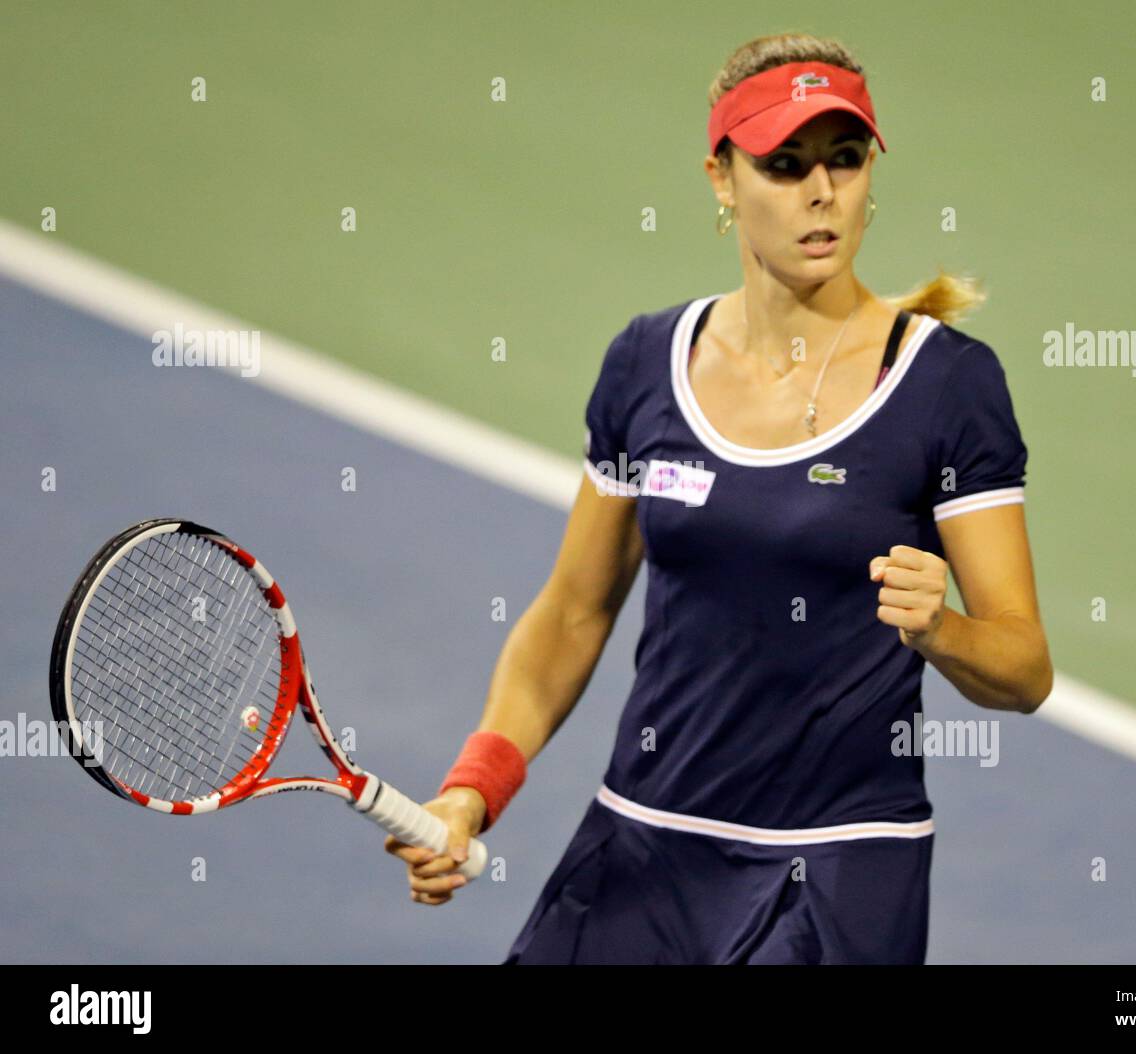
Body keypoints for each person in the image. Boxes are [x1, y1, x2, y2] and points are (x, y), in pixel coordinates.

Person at [384, 32, 1053, 964]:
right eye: (784, 166)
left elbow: (1023, 667)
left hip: (837, 873)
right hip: (645, 846)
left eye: (845, 160)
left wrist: (942, 629)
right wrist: (473, 788)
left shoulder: (946, 386)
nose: (822, 193)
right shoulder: (644, 364)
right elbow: (575, 612)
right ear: (722, 180)